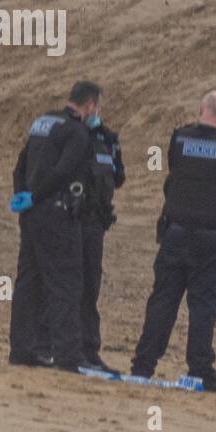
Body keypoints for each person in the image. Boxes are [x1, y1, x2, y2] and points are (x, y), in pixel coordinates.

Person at [129, 90, 216, 392]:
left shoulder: (180, 137)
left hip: (176, 230)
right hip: (212, 237)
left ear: (201, 109)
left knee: (163, 300)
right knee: (204, 305)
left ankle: (143, 364)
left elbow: (175, 167)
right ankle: (200, 368)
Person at [8, 81, 104, 373]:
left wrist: (23, 196)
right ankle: (67, 354)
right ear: (89, 105)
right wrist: (38, 196)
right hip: (57, 215)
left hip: (32, 215)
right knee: (66, 284)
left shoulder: (42, 122)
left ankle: (21, 349)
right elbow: (63, 171)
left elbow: (20, 166)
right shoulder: (76, 132)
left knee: (29, 281)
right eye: (96, 108)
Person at [77, 114, 126, 372]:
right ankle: (62, 347)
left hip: (97, 222)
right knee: (70, 284)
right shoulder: (71, 134)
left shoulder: (108, 138)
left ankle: (88, 349)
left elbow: (119, 177)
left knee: (90, 286)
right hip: (73, 220)